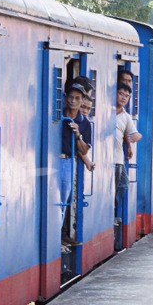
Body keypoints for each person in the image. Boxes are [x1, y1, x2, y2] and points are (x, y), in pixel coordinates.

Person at [60, 78, 93, 246]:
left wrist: (78, 134)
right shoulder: (58, 115)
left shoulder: (85, 123)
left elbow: (84, 150)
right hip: (52, 159)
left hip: (67, 161)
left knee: (64, 198)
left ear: (82, 101)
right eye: (71, 97)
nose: (73, 101)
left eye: (77, 98)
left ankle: (61, 235)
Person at [115, 82, 141, 248]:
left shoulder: (125, 116)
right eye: (121, 94)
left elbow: (137, 134)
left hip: (117, 160)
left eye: (127, 96)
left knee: (121, 187)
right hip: (106, 160)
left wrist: (131, 139)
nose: (123, 98)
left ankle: (114, 216)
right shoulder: (106, 110)